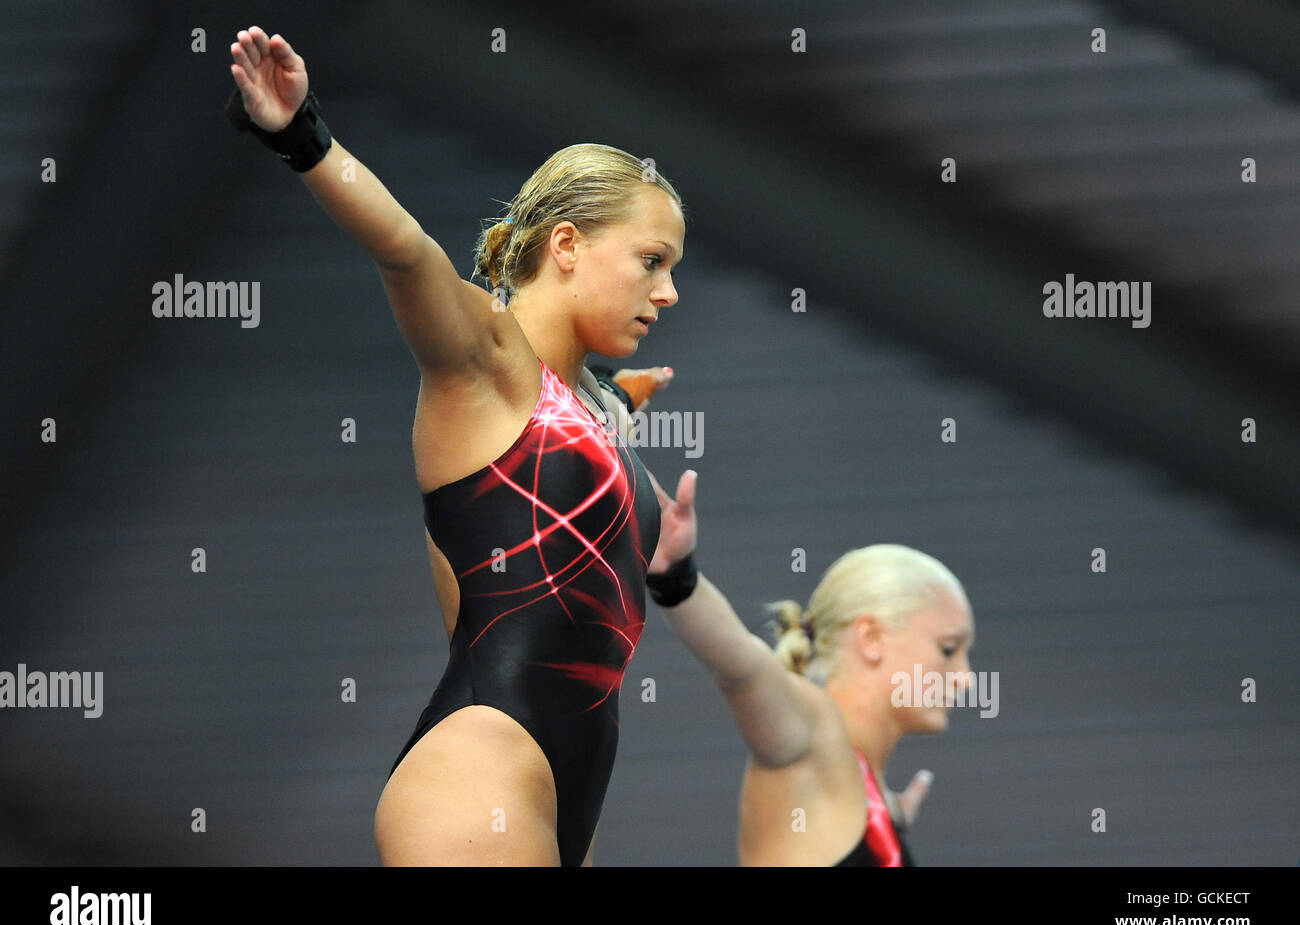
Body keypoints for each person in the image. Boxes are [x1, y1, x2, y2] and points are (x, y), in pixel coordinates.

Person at [227, 25, 686, 865]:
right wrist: (303, 134)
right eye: (652, 260)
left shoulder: (588, 408)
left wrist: (624, 404)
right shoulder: (487, 361)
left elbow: (572, 467)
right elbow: (407, 254)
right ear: (569, 245)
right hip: (483, 761)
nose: (669, 290)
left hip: (570, 782)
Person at [648, 470, 975, 865]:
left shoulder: (867, 792)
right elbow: (741, 666)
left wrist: (890, 825)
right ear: (871, 637)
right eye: (948, 649)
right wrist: (676, 576)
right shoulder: (811, 732)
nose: (965, 678)